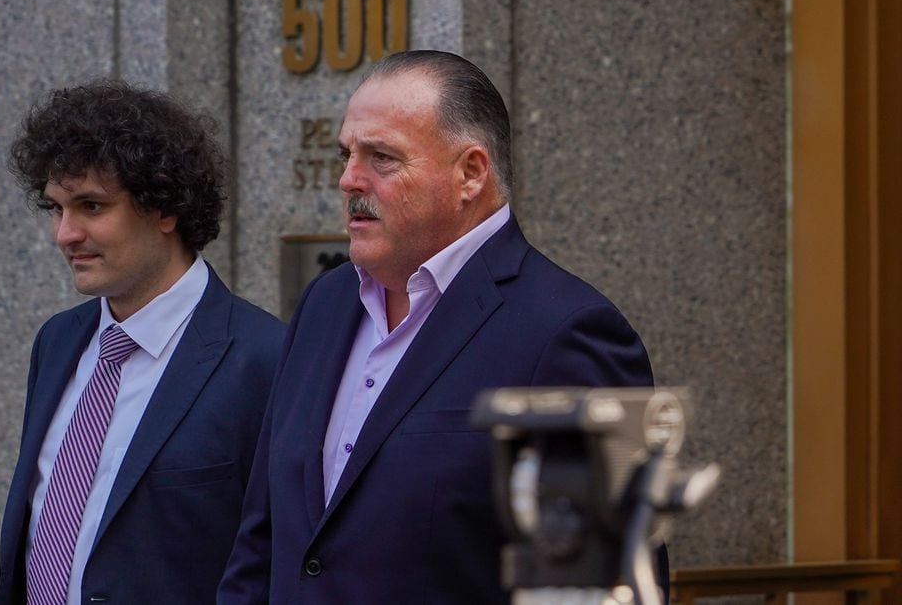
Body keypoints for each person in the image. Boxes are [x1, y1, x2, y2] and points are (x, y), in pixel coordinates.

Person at [218, 50, 665, 603]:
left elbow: (601, 588)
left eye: (382, 157)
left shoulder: (568, 333)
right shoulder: (324, 304)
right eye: (346, 155)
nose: (349, 180)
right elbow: (261, 542)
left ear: (470, 173)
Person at [0, 81, 285, 605]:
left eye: (91, 206)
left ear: (164, 209)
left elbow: (277, 560)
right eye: (56, 208)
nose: (65, 234)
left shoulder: (265, 358)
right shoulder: (57, 342)